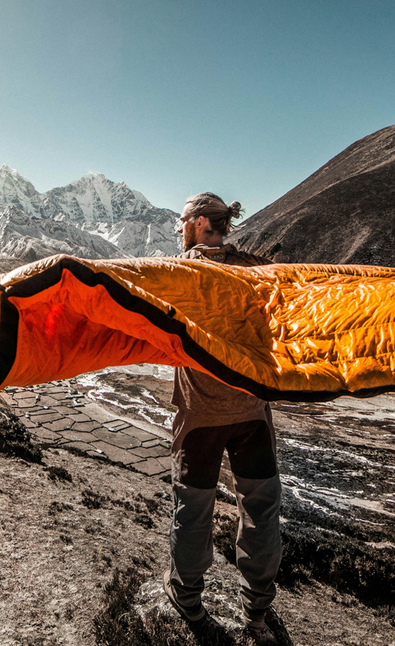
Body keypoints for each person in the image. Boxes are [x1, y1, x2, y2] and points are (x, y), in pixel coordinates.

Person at [162, 192, 292, 645]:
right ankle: (256, 609)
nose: (179, 229)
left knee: (193, 511)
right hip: (253, 415)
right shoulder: (258, 270)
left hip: (200, 419)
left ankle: (187, 598)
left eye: (182, 222)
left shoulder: (179, 273)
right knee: (260, 511)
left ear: (198, 224)